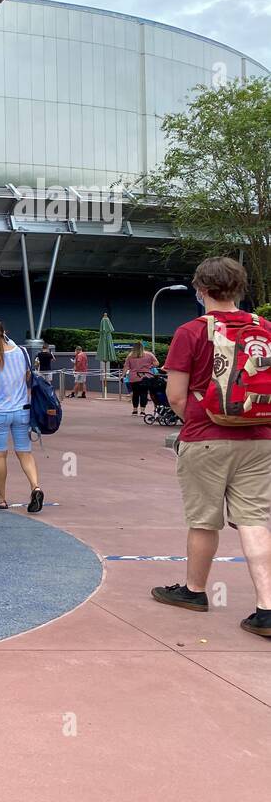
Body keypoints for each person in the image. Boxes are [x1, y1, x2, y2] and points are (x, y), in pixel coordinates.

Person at [151, 257, 271, 638]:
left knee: (203, 519)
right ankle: (267, 608)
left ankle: (194, 591)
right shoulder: (264, 328)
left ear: (200, 289)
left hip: (206, 437)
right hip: (260, 437)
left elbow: (174, 396)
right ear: (240, 289)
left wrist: (199, 421)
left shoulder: (190, 331)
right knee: (253, 520)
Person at [0, 318, 43, 512]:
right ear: (4, 332)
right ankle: (35, 487)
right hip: (22, 410)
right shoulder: (21, 352)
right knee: (24, 453)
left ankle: (1, 498)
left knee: (0, 454)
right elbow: (27, 377)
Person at [123, 341, 159, 416]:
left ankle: (134, 410)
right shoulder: (149, 354)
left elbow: (126, 367)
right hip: (146, 376)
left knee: (135, 394)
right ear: (143, 347)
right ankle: (142, 411)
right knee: (144, 393)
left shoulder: (130, 356)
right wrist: (150, 366)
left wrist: (122, 375)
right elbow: (157, 363)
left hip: (133, 377)